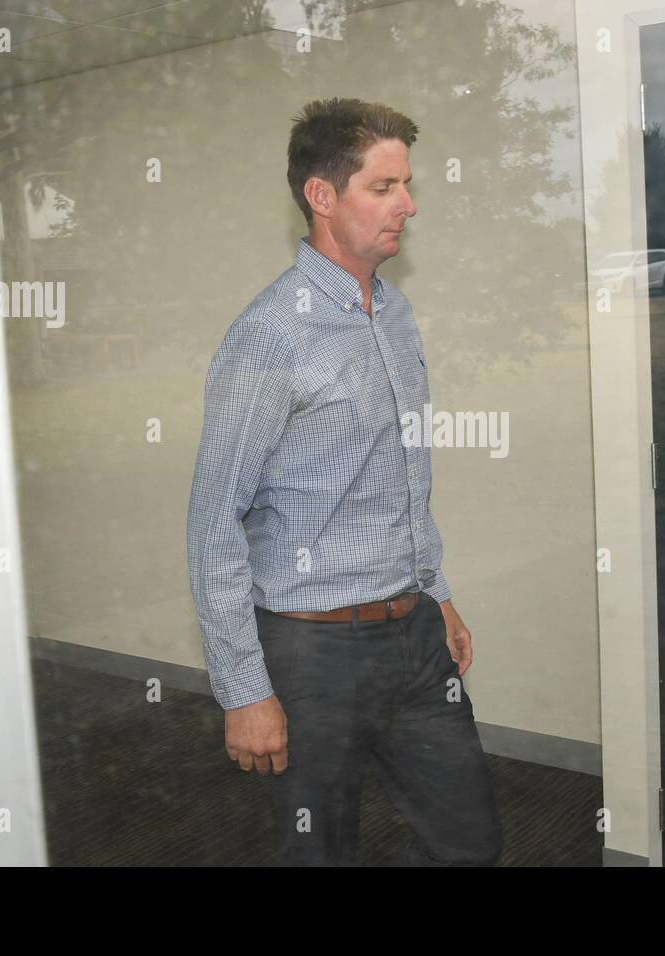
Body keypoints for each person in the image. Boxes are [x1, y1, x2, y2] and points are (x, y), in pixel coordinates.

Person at [186, 97, 502, 866]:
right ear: (322, 197)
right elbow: (212, 523)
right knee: (318, 852)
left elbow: (400, 474)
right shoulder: (269, 335)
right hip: (310, 653)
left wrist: (438, 588)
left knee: (471, 842)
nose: (410, 204)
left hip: (415, 636)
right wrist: (245, 689)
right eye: (386, 186)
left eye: (407, 185)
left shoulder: (393, 314)